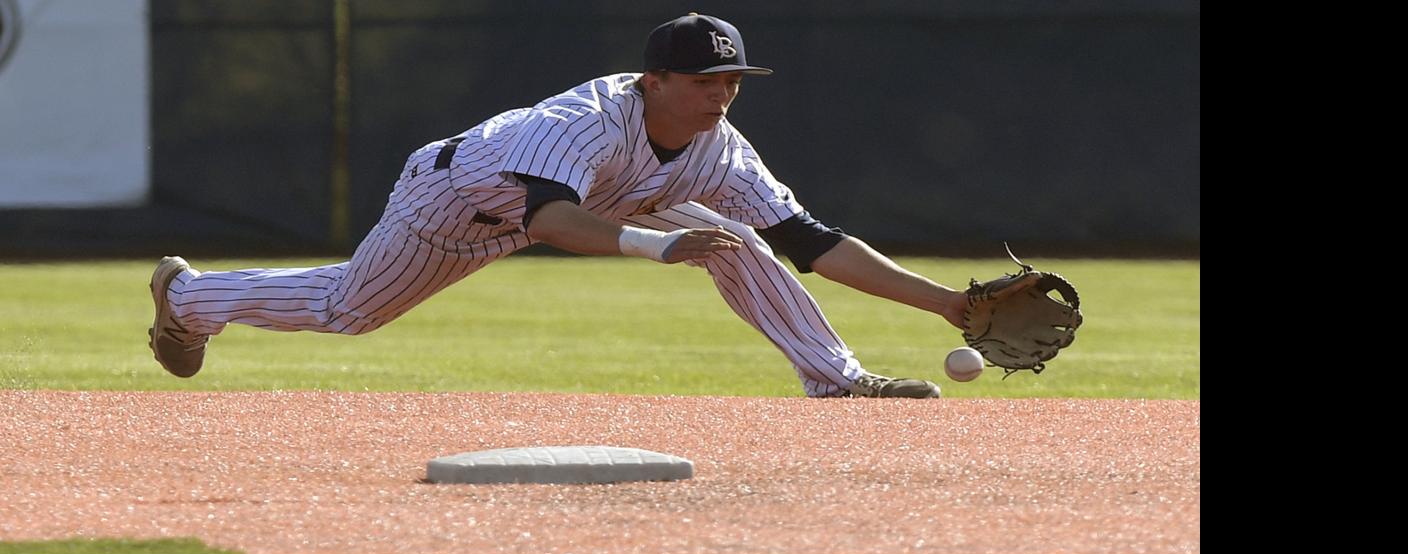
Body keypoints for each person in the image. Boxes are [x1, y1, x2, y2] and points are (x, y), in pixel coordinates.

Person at [146, 12, 973, 398]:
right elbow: (547, 219)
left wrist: (949, 306)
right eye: (703, 80)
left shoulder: (721, 146)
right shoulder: (584, 122)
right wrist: (656, 249)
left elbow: (810, 239)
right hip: (456, 207)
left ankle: (837, 379)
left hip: (607, 202)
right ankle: (186, 298)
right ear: (654, 81)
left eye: (731, 81)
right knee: (345, 310)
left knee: (737, 236)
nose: (722, 92)